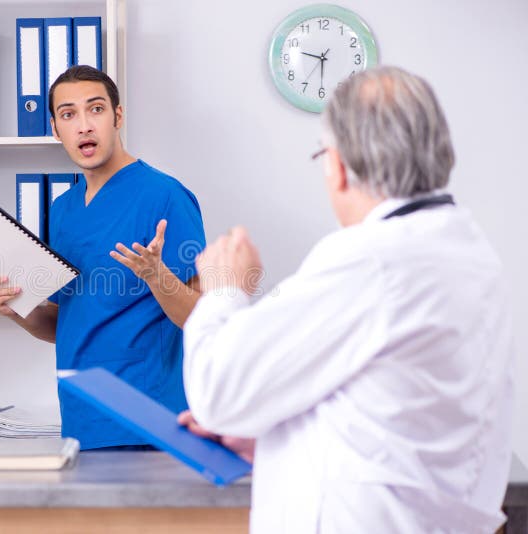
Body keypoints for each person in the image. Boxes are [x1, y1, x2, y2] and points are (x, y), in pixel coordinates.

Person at [180, 66, 515, 532]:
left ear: (336, 166)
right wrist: (281, 439)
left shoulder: (372, 260)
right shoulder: (468, 252)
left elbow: (218, 392)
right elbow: (403, 412)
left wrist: (222, 287)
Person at [0, 65, 206, 450]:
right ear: (55, 128)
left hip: (149, 420)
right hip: (82, 418)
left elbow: (202, 320)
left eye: (95, 109)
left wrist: (156, 276)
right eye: (68, 114)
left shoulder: (165, 196)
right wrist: (13, 308)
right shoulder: (63, 209)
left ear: (117, 116)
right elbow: (65, 323)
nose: (84, 125)